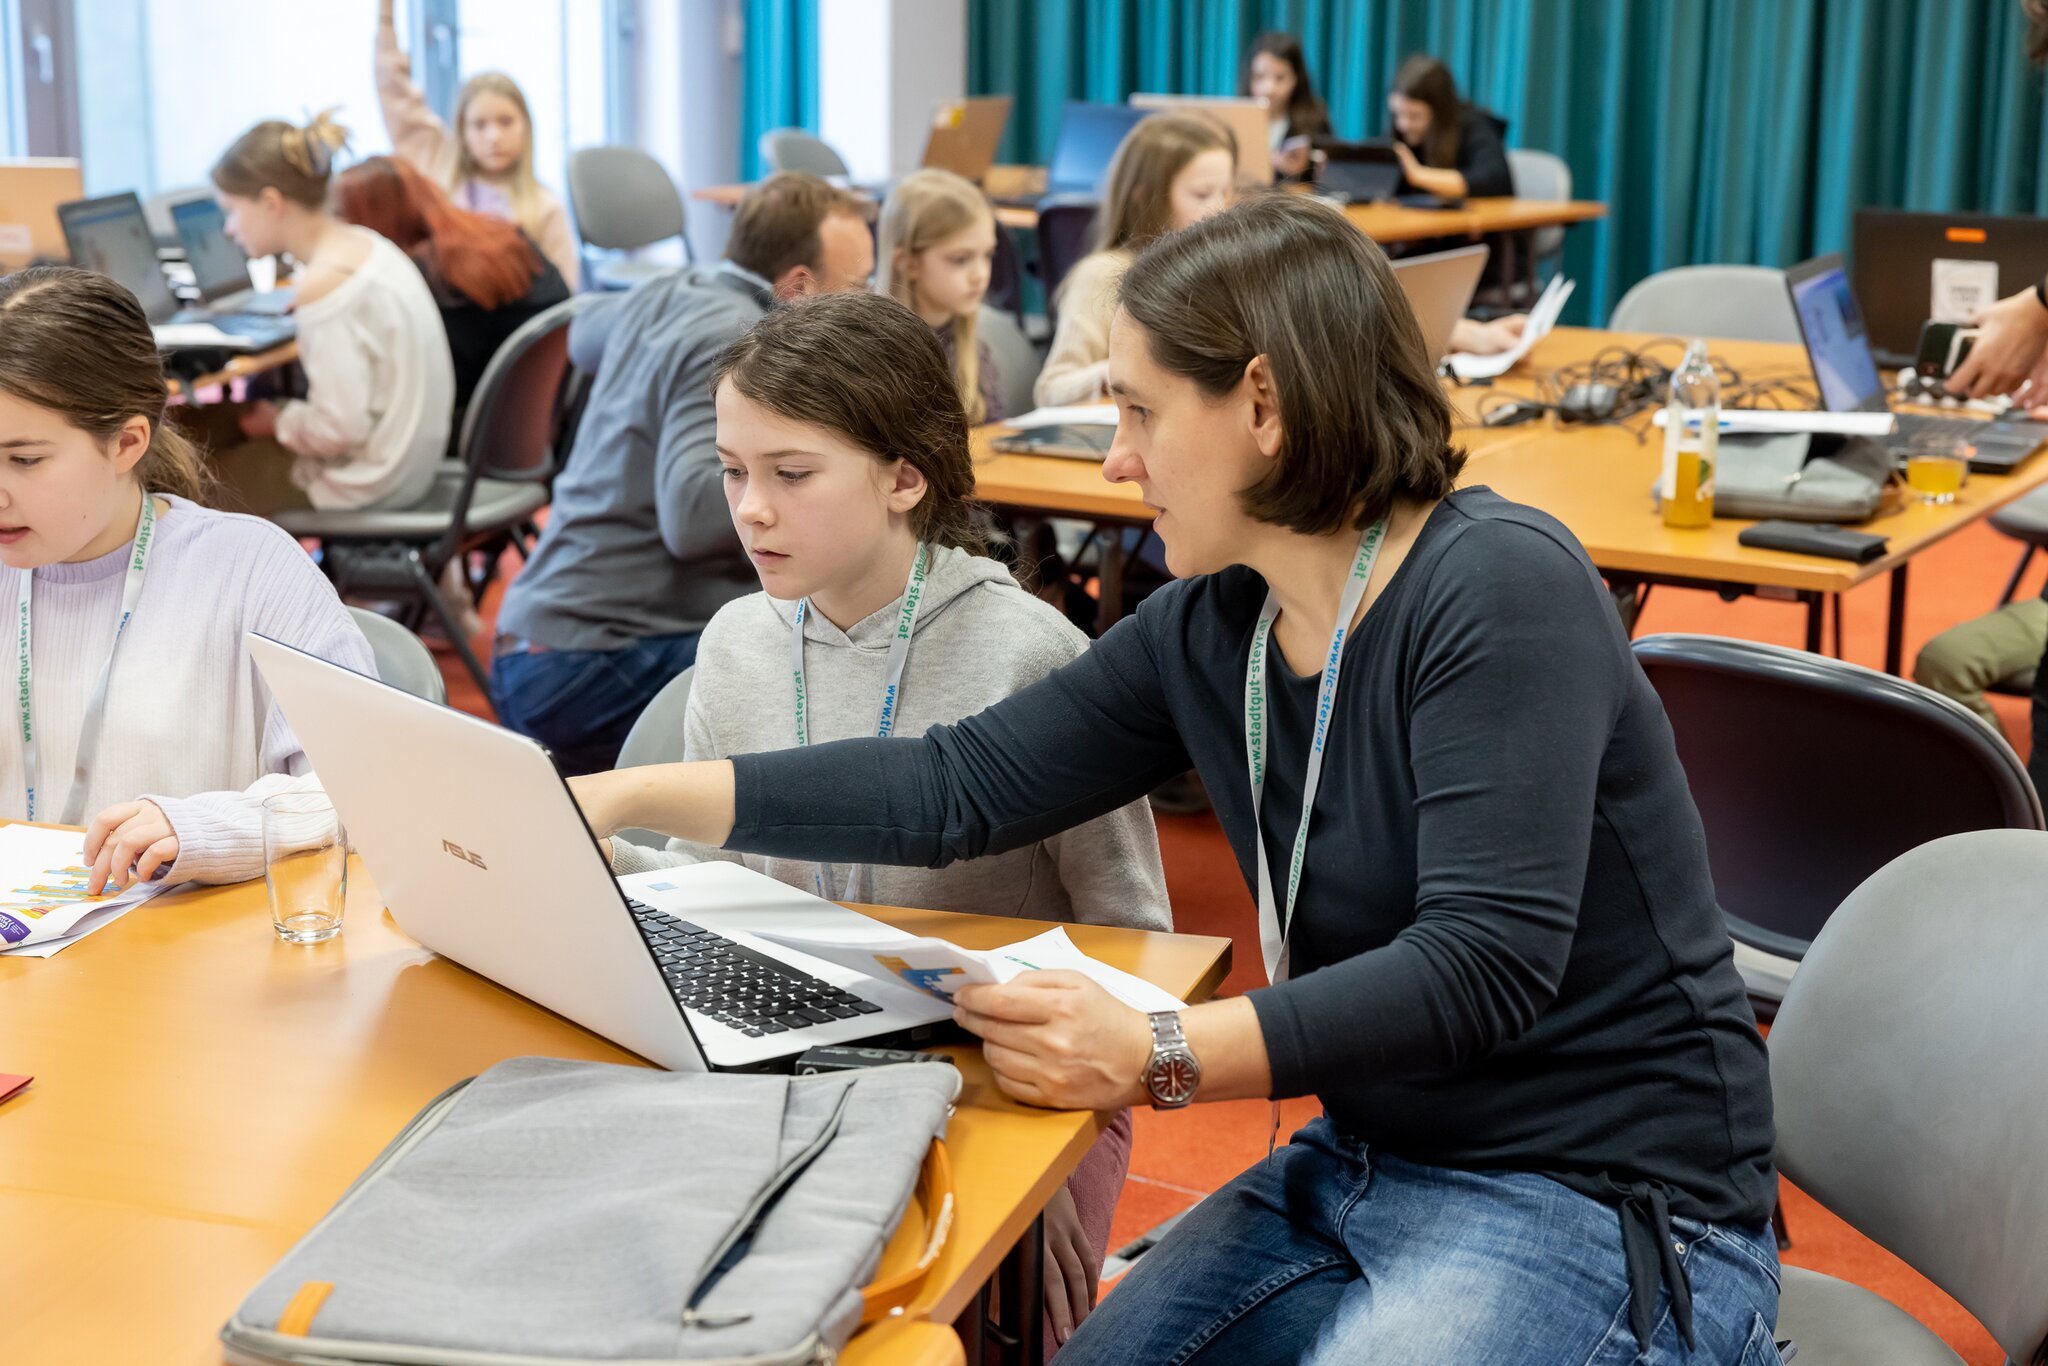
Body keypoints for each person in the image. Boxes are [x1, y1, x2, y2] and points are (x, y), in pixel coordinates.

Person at [569, 195, 1781, 1364]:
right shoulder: (1219, 624)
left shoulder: (1498, 586)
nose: (1111, 462)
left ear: (1260, 401)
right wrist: (629, 798)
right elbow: (955, 785)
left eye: (1138, 413)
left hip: (1604, 1198)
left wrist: (1156, 1047)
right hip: (1365, 1160)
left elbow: (1483, 963)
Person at [605, 291, 1171, 1346]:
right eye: (731, 470)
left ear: (905, 477)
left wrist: (1044, 1145)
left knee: (964, 1323)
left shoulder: (1028, 655)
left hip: (1000, 1088)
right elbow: (697, 882)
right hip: (786, 1065)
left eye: (790, 473)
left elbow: (1140, 945)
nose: (750, 509)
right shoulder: (735, 641)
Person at [0, 267, 376, 894]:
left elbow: (370, 786)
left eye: (24, 460)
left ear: (127, 443)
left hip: (188, 958)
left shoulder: (249, 570)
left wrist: (205, 827)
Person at [491, 173, 874, 777]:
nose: (866, 306)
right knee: (840, 656)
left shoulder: (669, 290)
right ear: (798, 287)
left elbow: (584, 336)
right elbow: (693, 519)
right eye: (857, 289)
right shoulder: (732, 337)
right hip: (588, 662)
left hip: (540, 637)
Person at [193, 113, 455, 518]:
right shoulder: (366, 245)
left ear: (271, 203)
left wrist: (278, 423)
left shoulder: (325, 283)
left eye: (232, 211)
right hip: (411, 463)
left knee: (184, 478)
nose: (229, 229)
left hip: (369, 482)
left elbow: (340, 429)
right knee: (205, 424)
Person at [331, 155, 570, 415]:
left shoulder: (426, 277)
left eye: (341, 215)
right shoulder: (494, 232)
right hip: (544, 412)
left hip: (478, 419)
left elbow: (425, 381)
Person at [375, 0, 580, 289]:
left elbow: (562, 301)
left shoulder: (545, 207)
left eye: (506, 122)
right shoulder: (439, 164)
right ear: (462, 131)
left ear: (526, 127)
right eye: (479, 125)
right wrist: (386, 18)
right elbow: (394, 92)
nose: (493, 137)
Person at [1034, 113, 1235, 408]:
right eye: (1202, 194)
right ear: (1144, 197)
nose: (1220, 209)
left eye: (1226, 192)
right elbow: (1050, 391)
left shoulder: (1221, 274)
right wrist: (1120, 376)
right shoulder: (1102, 274)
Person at [877, 169, 1005, 424]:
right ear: (909, 263)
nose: (979, 274)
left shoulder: (974, 351)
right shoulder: (876, 355)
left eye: (988, 255)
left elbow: (993, 432)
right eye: (960, 259)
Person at [1386, 54, 1514, 202]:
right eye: (1397, 114)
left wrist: (1418, 175)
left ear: (1440, 112)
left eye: (1415, 116)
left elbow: (1495, 181)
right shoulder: (1401, 134)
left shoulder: (1473, 126)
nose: (1404, 124)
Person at [1242, 31, 1331, 180]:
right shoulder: (1238, 117)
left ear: (1296, 79)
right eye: (1260, 77)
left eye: (1280, 78)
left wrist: (1310, 167)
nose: (1269, 89)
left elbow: (1326, 175)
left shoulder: (1315, 118)